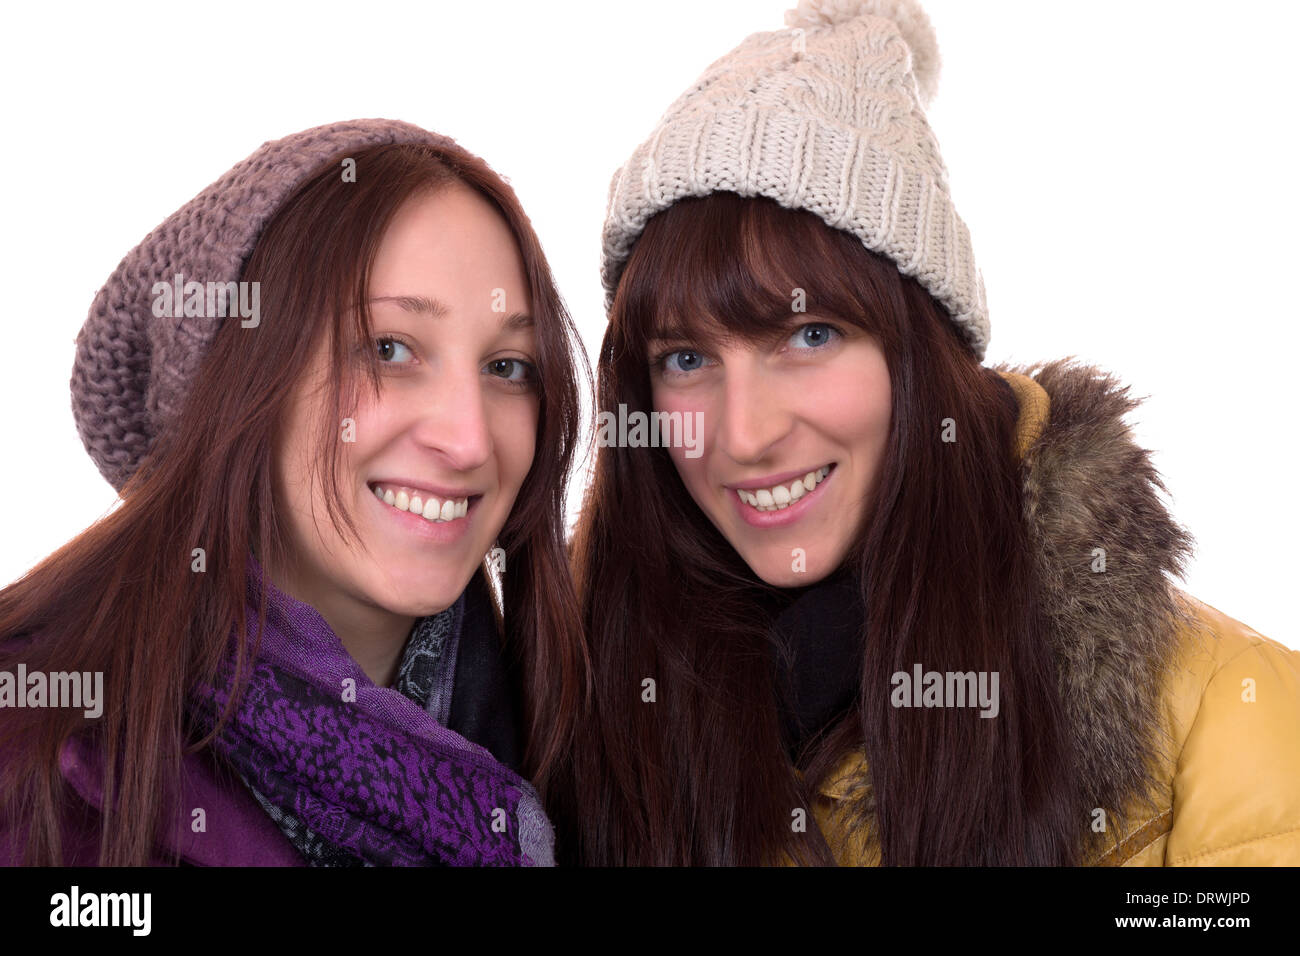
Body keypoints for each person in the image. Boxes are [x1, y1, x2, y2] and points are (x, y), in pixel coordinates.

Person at [555, 0, 1300, 865]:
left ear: (922, 357)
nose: (745, 434)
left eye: (810, 336)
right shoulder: (578, 713)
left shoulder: (1230, 711)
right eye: (686, 359)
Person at [0, 119, 586, 866]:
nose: (469, 441)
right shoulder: (35, 772)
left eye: (507, 366)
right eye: (388, 349)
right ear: (240, 387)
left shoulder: (577, 748)